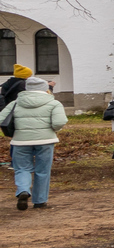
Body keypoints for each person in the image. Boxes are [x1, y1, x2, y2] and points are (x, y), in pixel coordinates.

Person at [0, 76, 65, 209]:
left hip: (20, 141)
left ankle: (23, 190)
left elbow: (1, 119)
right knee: (43, 170)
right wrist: (53, 129)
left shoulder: (15, 103)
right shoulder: (54, 103)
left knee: (22, 169)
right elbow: (59, 122)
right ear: (44, 89)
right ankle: (40, 201)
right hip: (46, 140)